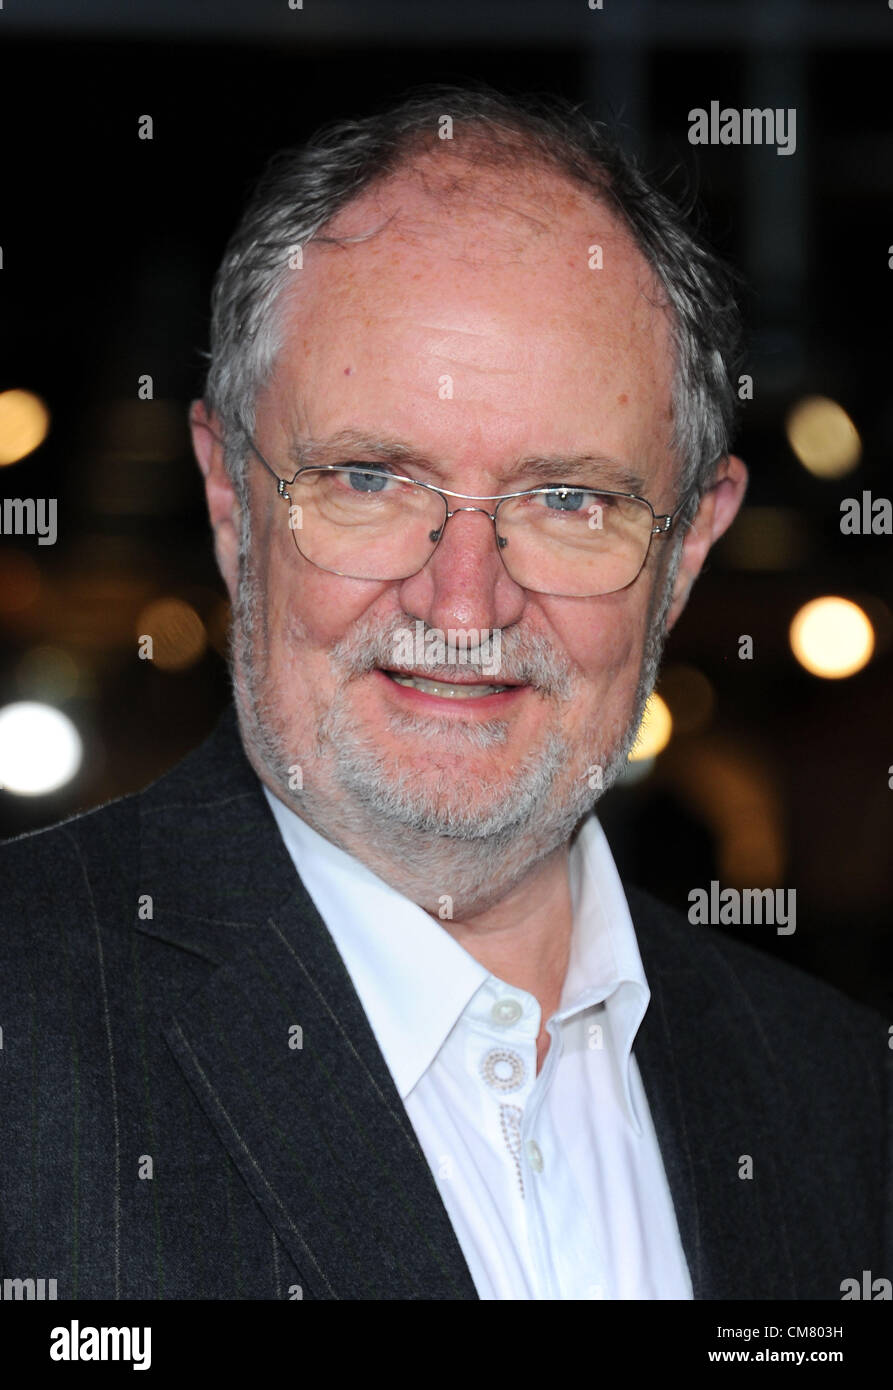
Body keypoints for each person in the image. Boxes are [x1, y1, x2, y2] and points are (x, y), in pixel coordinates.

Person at [0, 85, 888, 1302]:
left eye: (567, 500)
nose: (463, 607)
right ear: (226, 499)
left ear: (685, 548)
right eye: (370, 477)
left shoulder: (840, 1102)